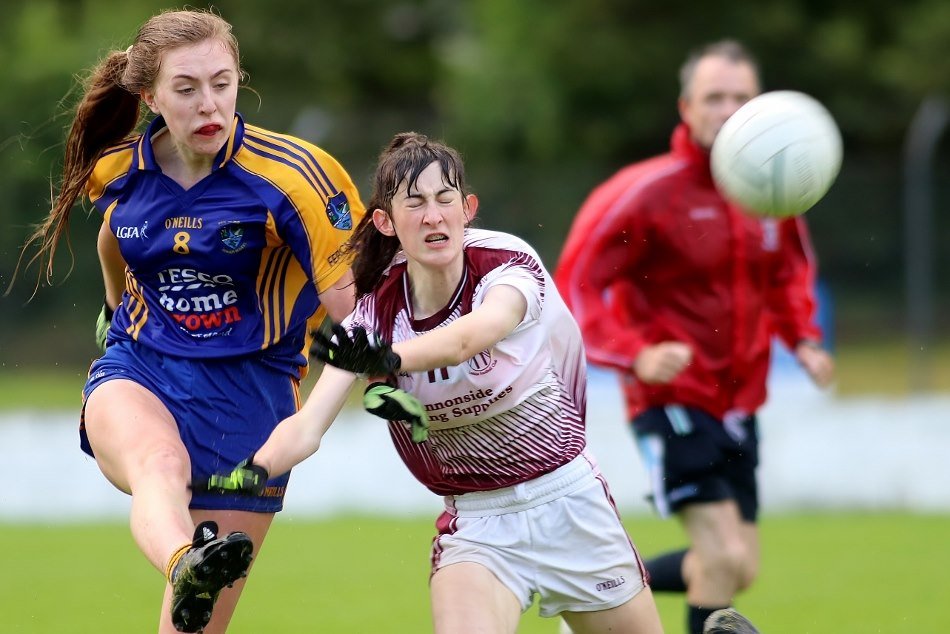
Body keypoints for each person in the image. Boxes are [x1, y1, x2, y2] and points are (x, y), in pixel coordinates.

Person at [207, 131, 665, 634]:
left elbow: (470, 337)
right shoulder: (373, 316)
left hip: (569, 502)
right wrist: (252, 470)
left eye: (445, 199)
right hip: (477, 525)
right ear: (385, 221)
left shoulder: (506, 264)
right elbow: (307, 427)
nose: (433, 216)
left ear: (467, 208)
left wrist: (384, 357)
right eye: (415, 203)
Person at [17, 9, 363, 633]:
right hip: (139, 368)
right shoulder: (117, 169)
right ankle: (185, 561)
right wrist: (113, 313)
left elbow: (356, 316)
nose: (210, 104)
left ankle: (194, 567)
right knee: (158, 464)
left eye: (222, 83)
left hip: (250, 402)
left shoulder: (292, 178)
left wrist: (314, 422)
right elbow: (113, 239)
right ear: (150, 95)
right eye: (187, 88)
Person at [554, 40, 834, 634]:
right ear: (686, 107)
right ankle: (600, 599)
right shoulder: (646, 193)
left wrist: (804, 340)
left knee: (739, 565)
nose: (728, 109)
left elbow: (787, 275)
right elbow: (574, 287)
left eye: (741, 97)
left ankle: (593, 596)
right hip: (671, 400)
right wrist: (637, 355)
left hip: (739, 403)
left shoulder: (773, 189)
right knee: (724, 557)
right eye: (714, 97)